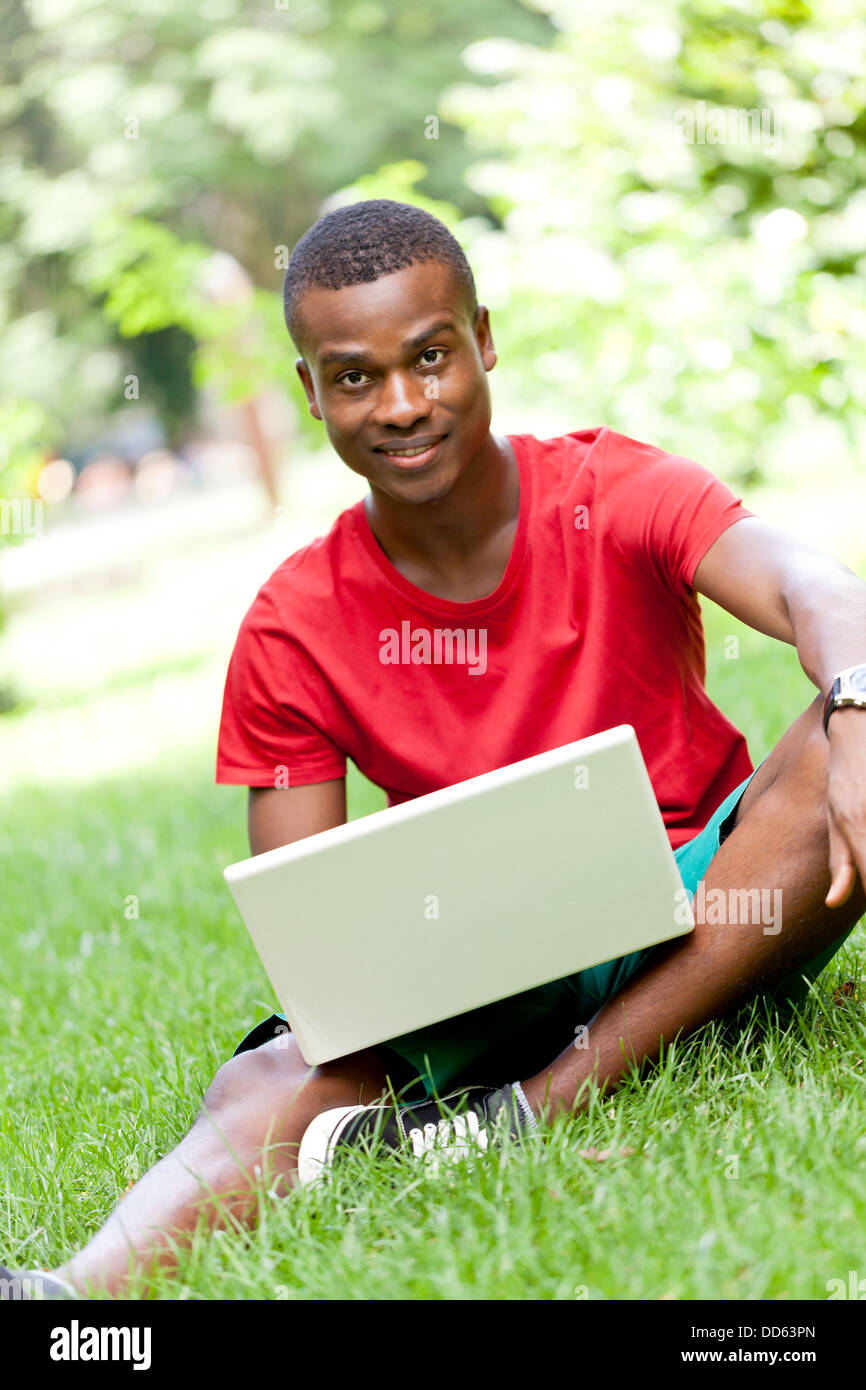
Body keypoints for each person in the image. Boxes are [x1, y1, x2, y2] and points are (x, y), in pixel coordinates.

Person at [6, 199, 866, 1298]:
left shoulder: (613, 490)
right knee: (277, 1073)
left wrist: (849, 702)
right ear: (310, 392)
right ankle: (66, 1296)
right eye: (355, 376)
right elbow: (311, 940)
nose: (402, 405)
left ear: (483, 341)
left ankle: (538, 1104)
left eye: (429, 357)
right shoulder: (291, 623)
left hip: (709, 899)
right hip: (488, 958)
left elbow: (818, 588)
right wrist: (377, 990)